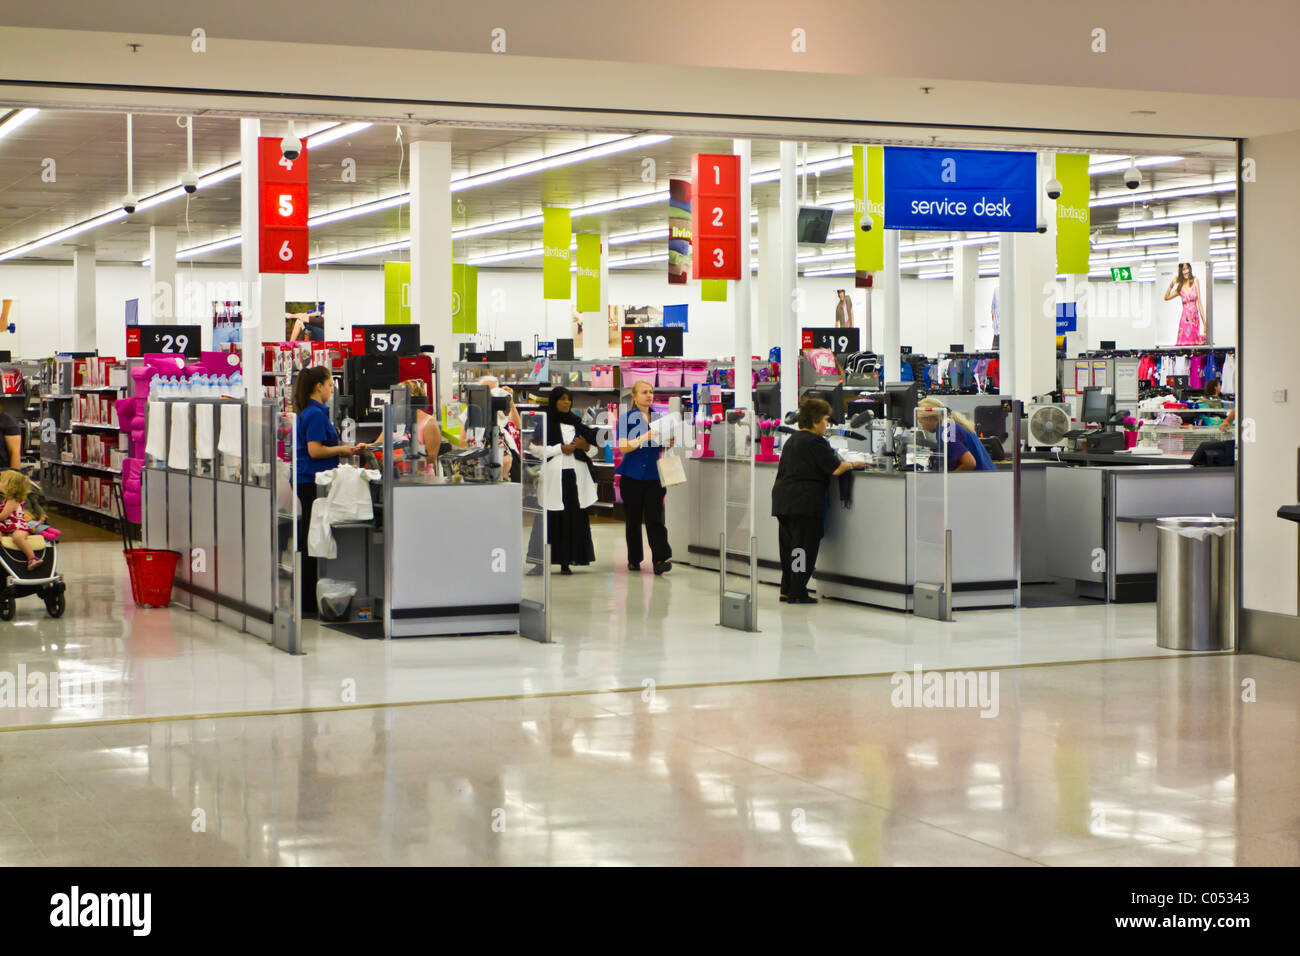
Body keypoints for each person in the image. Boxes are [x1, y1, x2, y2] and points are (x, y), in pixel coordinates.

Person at [771, 396, 866, 604]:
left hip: (783, 500)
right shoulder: (815, 442)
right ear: (815, 421)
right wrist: (854, 464)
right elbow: (836, 468)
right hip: (803, 502)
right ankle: (798, 590)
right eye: (825, 419)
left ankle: (787, 588)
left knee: (789, 548)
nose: (827, 424)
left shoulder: (793, 440)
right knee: (802, 548)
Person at [293, 366, 366, 616]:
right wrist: (343, 451)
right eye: (330, 385)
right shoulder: (314, 414)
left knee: (311, 538)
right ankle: (308, 602)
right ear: (318, 387)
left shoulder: (314, 413)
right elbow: (315, 450)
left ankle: (308, 600)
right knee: (312, 539)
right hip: (311, 482)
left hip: (312, 481)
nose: (332, 389)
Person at [529, 386, 597, 575]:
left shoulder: (577, 423)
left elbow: (593, 450)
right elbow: (534, 449)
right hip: (553, 478)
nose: (567, 402)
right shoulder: (544, 422)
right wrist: (560, 449)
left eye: (569, 399)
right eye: (562, 399)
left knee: (573, 518)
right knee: (549, 519)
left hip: (575, 477)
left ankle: (567, 561)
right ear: (555, 401)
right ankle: (541, 562)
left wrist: (584, 447)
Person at [617, 379, 676, 574]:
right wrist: (644, 437)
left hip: (653, 477)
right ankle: (634, 559)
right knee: (633, 520)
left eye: (651, 391)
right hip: (631, 477)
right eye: (644, 392)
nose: (649, 395)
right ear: (634, 396)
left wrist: (669, 442)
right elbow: (624, 447)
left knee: (655, 519)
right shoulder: (626, 419)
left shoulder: (660, 418)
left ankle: (660, 559)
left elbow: (660, 446)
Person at [915, 397, 997, 472]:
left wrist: (949, 480)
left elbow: (970, 463)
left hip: (980, 481)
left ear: (929, 418)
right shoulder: (950, 425)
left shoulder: (947, 431)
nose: (923, 427)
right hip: (987, 477)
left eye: (921, 422)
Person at [0, 469, 40, 569]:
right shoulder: (6, 499)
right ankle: (4, 555)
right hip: (6, 526)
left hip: (18, 527)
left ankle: (32, 558)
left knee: (17, 537)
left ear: (9, 485)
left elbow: (3, 516)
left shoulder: (12, 500)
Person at [1165, 262, 1206, 346]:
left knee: (1194, 346)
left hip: (1194, 319)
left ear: (1190, 269)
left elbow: (1199, 303)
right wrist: (1172, 284)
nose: (1186, 271)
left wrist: (1204, 323)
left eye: (1187, 268)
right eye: (1183, 269)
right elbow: (1166, 297)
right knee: (1183, 347)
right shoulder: (1180, 288)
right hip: (1184, 321)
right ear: (1180, 271)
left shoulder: (1195, 281)